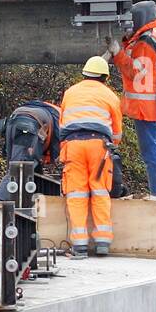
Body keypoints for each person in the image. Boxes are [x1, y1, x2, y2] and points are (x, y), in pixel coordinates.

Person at [109, 0, 156, 196]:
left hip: (144, 106)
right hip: (153, 103)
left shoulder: (146, 41)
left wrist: (117, 53)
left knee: (151, 154)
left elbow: (135, 71)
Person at [58, 56, 123, 258]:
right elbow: (117, 134)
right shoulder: (110, 96)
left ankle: (79, 245)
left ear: (85, 73)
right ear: (105, 77)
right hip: (98, 146)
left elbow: (62, 124)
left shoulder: (70, 92)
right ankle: (102, 241)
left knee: (76, 194)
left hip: (73, 145)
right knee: (100, 191)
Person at [0, 100, 60, 202]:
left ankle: (23, 206)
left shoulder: (53, 112)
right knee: (18, 171)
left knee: (21, 170)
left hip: (14, 120)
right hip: (29, 125)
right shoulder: (64, 121)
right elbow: (61, 153)